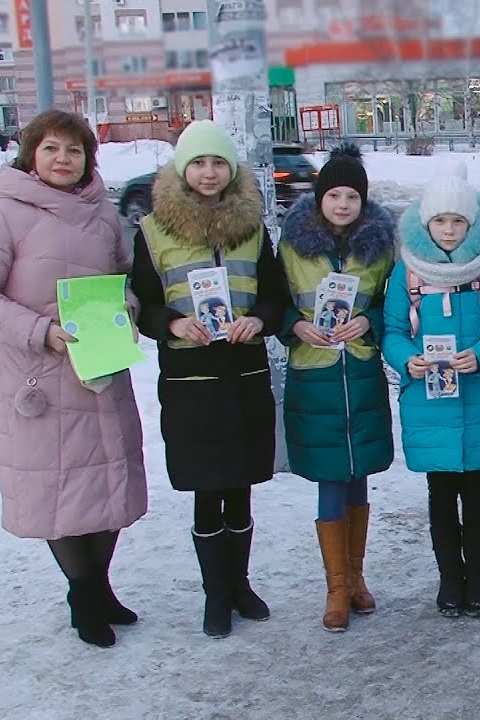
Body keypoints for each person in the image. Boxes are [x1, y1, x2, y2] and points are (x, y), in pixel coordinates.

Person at [0, 109, 147, 649]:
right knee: (59, 494)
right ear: (31, 154)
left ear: (89, 158)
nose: (64, 159)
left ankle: (99, 587)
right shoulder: (3, 213)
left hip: (100, 370)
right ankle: (84, 596)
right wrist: (40, 331)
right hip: (39, 378)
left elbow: (121, 279)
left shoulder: (101, 212)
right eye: (52, 149)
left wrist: (126, 309)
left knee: (107, 489)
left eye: (74, 150)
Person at [130, 120, 284, 639]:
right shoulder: (154, 230)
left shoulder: (253, 227)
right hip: (191, 379)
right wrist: (172, 324)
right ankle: (215, 594)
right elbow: (144, 302)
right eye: (198, 163)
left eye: (219, 162)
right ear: (182, 170)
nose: (209, 172)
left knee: (240, 486)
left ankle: (240, 584)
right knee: (206, 488)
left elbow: (275, 295)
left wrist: (258, 319)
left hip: (244, 374)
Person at [382, 161, 480, 619]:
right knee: (440, 495)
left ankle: (478, 579)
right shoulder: (407, 272)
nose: (449, 229)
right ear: (426, 223)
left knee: (476, 494)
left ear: (471, 223)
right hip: (429, 401)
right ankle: (449, 579)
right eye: (440, 220)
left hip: (478, 397)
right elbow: (393, 330)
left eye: (458, 220)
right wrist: (407, 359)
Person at [277, 142, 397, 632]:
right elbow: (274, 300)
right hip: (316, 374)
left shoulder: (380, 248)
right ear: (319, 198)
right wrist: (295, 325)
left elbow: (392, 306)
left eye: (352, 196)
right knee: (331, 477)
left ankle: (356, 577)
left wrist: (368, 322)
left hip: (361, 372)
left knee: (358, 475)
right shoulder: (292, 245)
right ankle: (335, 588)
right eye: (334, 195)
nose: (343, 204)